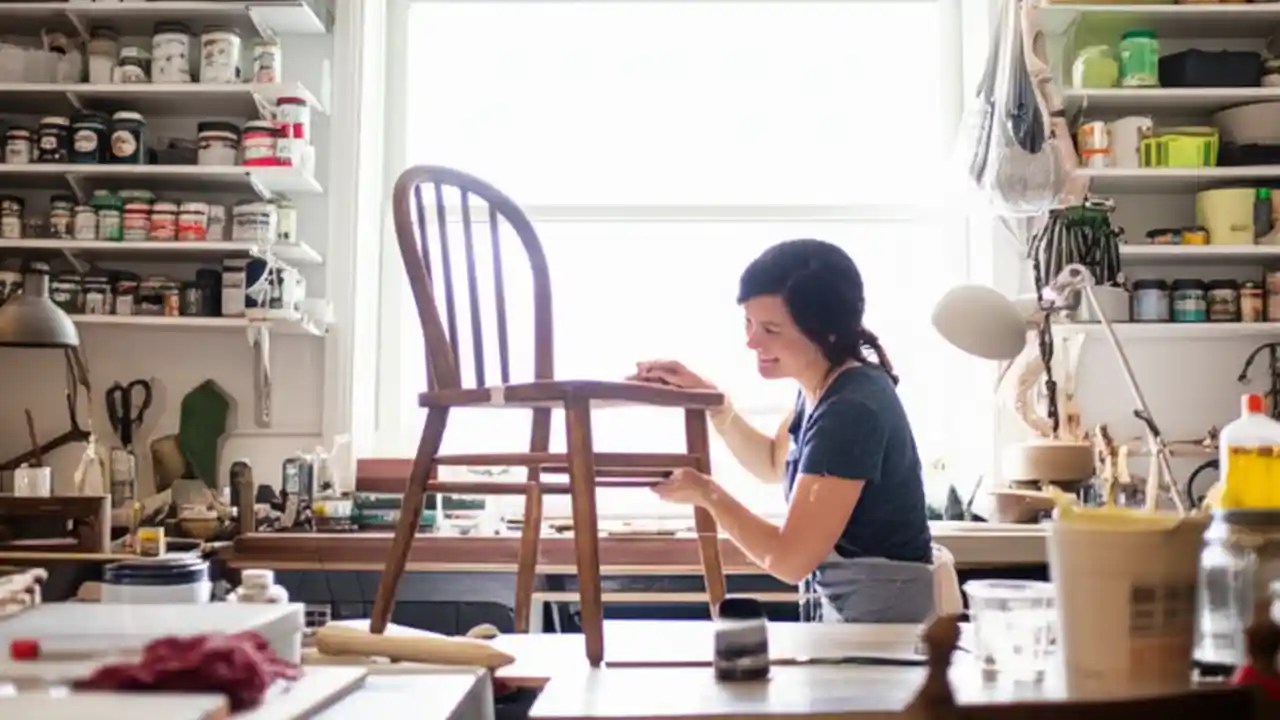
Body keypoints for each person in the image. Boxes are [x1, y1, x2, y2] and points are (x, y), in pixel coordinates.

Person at [629, 238, 935, 623]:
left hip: (885, 618)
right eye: (748, 322)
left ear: (827, 332)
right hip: (857, 610)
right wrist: (714, 403)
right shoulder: (820, 387)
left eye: (771, 328)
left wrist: (707, 493)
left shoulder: (851, 409)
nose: (751, 341)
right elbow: (773, 463)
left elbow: (789, 560)